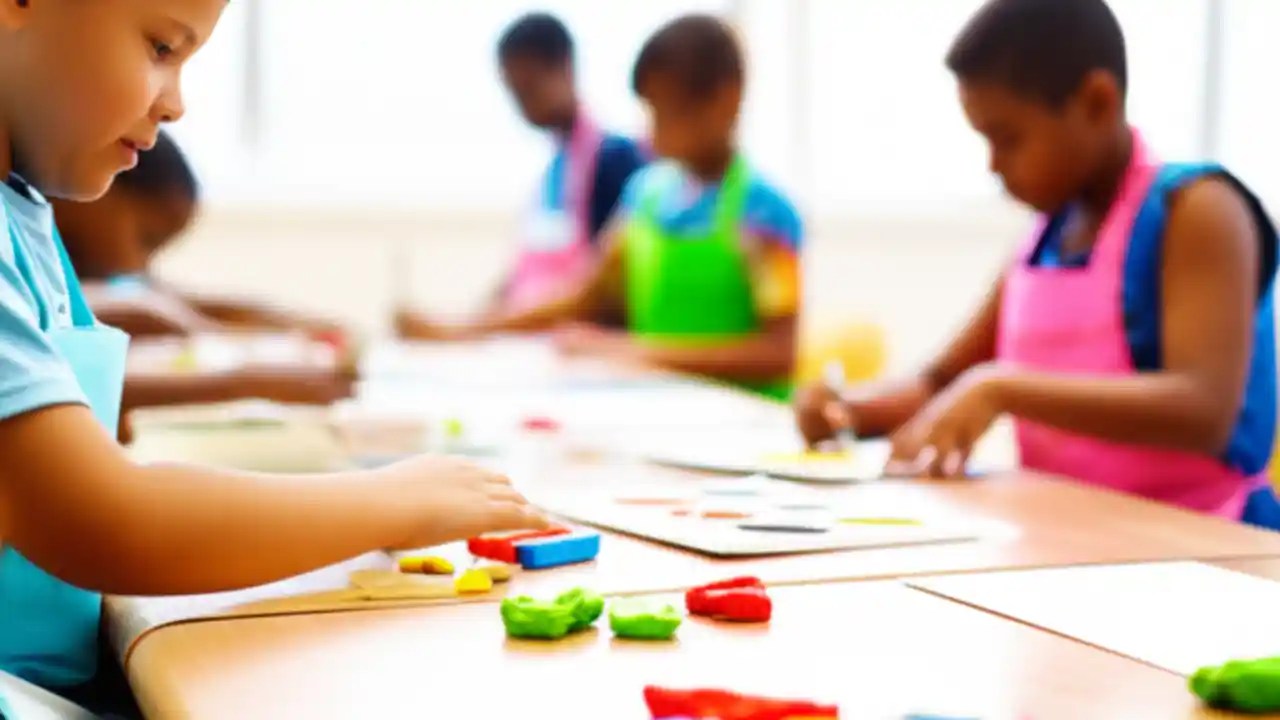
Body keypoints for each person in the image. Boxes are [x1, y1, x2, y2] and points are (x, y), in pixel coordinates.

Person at [0, 1, 546, 715]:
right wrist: (392, 500)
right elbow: (102, 517)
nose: (177, 103)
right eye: (162, 47)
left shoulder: (25, 219)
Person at [795, 0, 1280, 528]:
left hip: (1209, 544)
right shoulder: (1042, 238)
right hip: (1070, 542)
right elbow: (943, 384)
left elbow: (1204, 409)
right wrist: (847, 411)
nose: (994, 166)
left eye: (1008, 138)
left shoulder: (1198, 209)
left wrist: (1002, 388)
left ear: (1097, 102)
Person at [406, 15, 803, 400]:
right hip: (667, 409)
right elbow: (584, 294)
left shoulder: (762, 213)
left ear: (725, 100)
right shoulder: (646, 197)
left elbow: (779, 354)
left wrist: (638, 351)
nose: (653, 131)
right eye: (650, 110)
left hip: (748, 420)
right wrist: (466, 329)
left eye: (669, 111)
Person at [396, 12, 645, 330]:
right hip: (535, 340)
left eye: (529, 88)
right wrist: (469, 319)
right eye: (513, 92)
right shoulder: (553, 172)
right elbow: (524, 276)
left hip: (579, 344)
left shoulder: (616, 161)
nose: (523, 106)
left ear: (566, 68)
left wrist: (466, 329)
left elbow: (597, 293)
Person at [53, 130, 347, 338]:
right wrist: (217, 338)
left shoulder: (89, 270)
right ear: (106, 186)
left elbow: (175, 297)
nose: (140, 266)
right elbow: (137, 309)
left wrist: (299, 324)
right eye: (146, 239)